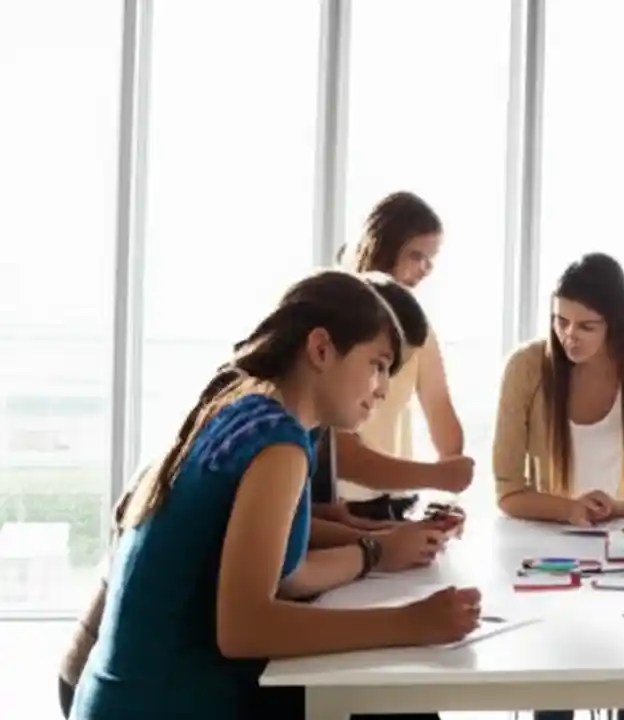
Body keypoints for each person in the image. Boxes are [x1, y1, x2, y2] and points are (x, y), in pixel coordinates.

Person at [70, 270, 483, 720]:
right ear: (321, 349)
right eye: (378, 365)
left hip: (120, 701)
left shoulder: (247, 414)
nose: (383, 389)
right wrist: (410, 623)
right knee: (395, 704)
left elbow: (289, 572)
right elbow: (244, 628)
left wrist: (374, 549)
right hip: (164, 706)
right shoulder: (279, 445)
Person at [494, 252, 624, 525]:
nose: (569, 337)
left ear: (613, 325)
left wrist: (622, 508)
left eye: (586, 327)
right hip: (547, 535)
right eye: (561, 321)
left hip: (623, 536)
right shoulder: (524, 368)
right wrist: (568, 510)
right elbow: (508, 492)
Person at [338, 191, 473, 520]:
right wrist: (439, 476)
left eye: (431, 258)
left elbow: (439, 407)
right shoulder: (338, 316)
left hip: (397, 503)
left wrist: (450, 487)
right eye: (416, 255)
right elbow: (342, 449)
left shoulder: (418, 328)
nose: (426, 269)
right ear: (384, 247)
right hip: (340, 504)